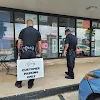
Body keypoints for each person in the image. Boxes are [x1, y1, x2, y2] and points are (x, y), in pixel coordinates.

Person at [15, 19, 41, 89]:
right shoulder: (37, 32)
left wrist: (18, 51)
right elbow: (39, 44)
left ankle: (19, 83)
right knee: (32, 68)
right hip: (33, 52)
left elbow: (19, 43)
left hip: (25, 52)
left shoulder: (23, 31)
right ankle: (30, 84)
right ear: (33, 24)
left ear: (27, 24)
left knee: (22, 67)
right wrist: (39, 52)